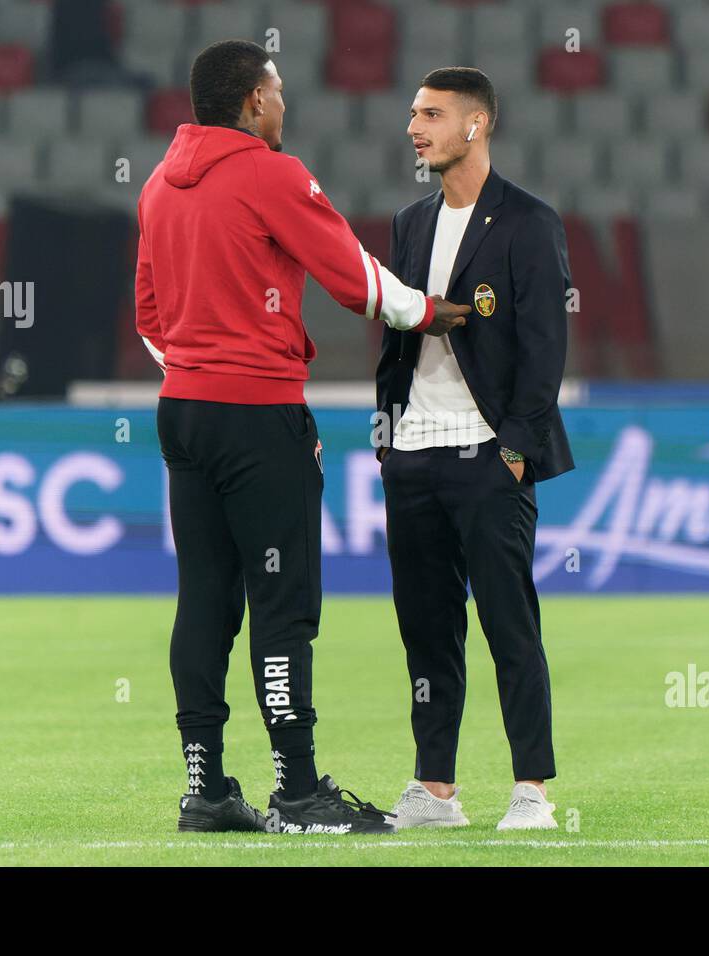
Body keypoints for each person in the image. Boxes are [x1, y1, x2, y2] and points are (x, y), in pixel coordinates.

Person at [136, 40, 470, 835]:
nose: (285, 106)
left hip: (183, 411)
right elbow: (351, 275)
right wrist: (427, 311)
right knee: (283, 602)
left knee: (205, 599)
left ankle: (207, 789)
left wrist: (195, 365)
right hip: (258, 414)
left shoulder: (156, 185)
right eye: (277, 92)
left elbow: (149, 315)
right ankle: (296, 791)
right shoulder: (270, 174)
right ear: (253, 101)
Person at [375, 67, 575, 830]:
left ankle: (532, 790)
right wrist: (390, 441)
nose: (414, 128)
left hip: (489, 455)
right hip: (416, 454)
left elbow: (544, 347)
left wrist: (516, 450)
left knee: (507, 623)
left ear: (476, 125)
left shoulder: (528, 221)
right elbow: (398, 334)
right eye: (412, 114)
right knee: (425, 628)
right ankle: (435, 791)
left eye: (430, 114)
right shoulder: (410, 222)